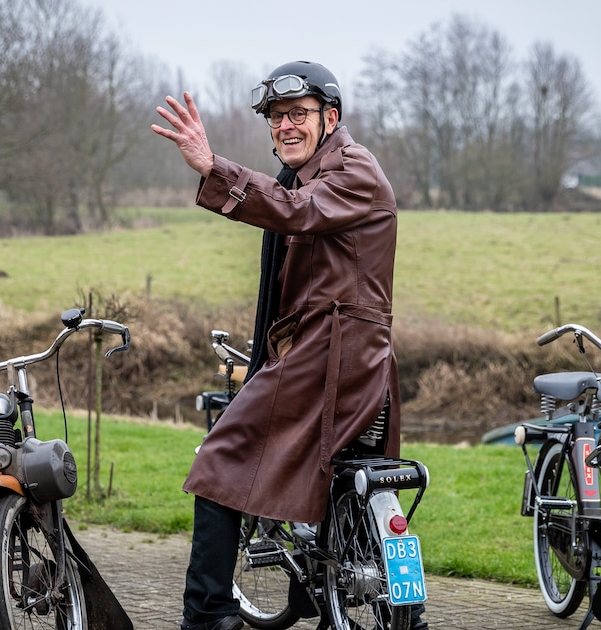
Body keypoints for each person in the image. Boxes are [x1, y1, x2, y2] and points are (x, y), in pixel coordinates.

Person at [152, 60, 425, 630]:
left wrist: (212, 166)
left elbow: (293, 212)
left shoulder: (352, 168)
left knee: (220, 460)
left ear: (331, 117)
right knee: (327, 477)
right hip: (340, 354)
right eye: (276, 118)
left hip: (330, 356)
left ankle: (208, 615)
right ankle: (326, 597)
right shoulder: (311, 176)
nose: (285, 126)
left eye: (298, 114)